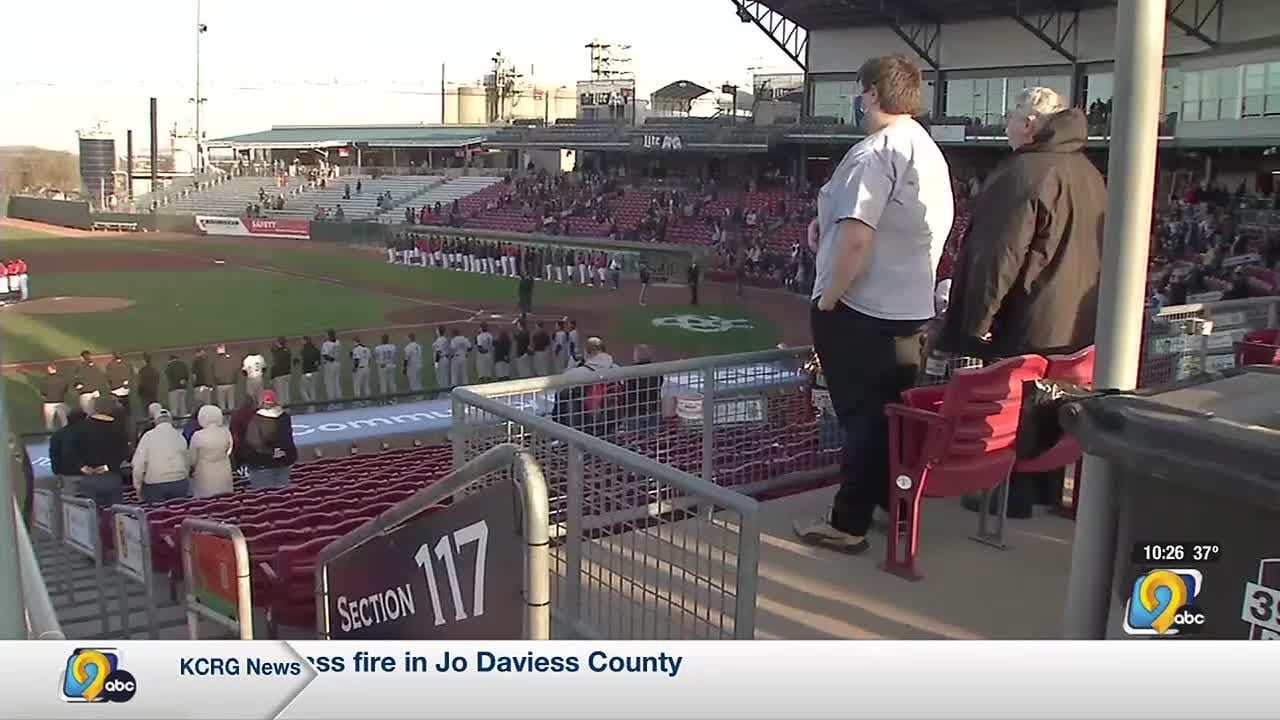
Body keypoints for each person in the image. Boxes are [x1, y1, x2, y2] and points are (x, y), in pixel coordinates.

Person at [795, 54, 955, 554]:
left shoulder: (874, 151)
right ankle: (891, 503)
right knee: (888, 416)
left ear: (870, 93)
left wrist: (829, 297)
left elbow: (858, 237)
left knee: (862, 419)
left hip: (863, 310)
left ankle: (849, 522)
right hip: (909, 309)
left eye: (860, 90)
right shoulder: (925, 148)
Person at [940, 86, 1106, 519]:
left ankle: (1009, 496)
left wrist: (977, 322)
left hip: (1029, 315)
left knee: (1017, 406)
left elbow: (998, 257)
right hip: (1076, 319)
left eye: (1011, 118)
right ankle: (1043, 491)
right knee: (1056, 403)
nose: (1007, 126)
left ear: (1030, 124)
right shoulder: (1088, 172)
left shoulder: (1023, 173)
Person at [68, 395, 129, 508]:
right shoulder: (118, 428)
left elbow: (72, 452)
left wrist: (83, 467)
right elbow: (123, 453)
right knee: (117, 516)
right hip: (112, 477)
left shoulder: (81, 428)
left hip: (89, 478)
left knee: (91, 517)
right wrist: (106, 467)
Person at [131, 409, 190, 503]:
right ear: (171, 420)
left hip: (155, 485)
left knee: (157, 514)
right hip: (179, 482)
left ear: (155, 421)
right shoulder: (179, 436)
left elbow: (139, 464)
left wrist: (137, 486)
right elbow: (187, 462)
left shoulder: (148, 436)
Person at [242, 390, 297, 489]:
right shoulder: (285, 417)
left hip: (262, 465)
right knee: (282, 496)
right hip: (282, 463)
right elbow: (288, 440)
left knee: (265, 498)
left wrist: (271, 453)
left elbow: (253, 443)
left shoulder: (255, 420)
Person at [189, 404, 234, 499]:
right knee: (225, 500)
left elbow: (192, 459)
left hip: (205, 473)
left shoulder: (197, 435)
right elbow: (229, 450)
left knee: (207, 502)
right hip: (224, 471)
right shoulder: (226, 432)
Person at [624, 344, 664, 432]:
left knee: (635, 438)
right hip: (653, 409)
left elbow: (627, 391)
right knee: (652, 438)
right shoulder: (657, 370)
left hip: (636, 411)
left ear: (637, 356)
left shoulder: (630, 371)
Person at [73, 351, 105, 416]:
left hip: (86, 393)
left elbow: (77, 382)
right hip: (95, 392)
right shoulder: (94, 366)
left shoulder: (80, 367)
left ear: (82, 358)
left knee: (86, 413)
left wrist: (76, 386)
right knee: (93, 411)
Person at [40, 363, 70, 431]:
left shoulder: (44, 379)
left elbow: (43, 393)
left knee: (49, 423)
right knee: (64, 421)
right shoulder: (62, 379)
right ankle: (67, 436)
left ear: (49, 369)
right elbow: (65, 390)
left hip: (48, 403)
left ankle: (50, 437)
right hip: (60, 402)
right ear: (55, 369)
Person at [212, 344, 238, 411]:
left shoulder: (215, 360)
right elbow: (235, 370)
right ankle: (231, 420)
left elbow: (214, 373)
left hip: (220, 385)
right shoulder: (230, 359)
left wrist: (214, 382)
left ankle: (223, 420)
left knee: (222, 405)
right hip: (230, 383)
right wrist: (234, 380)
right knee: (231, 404)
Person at [164, 353, 191, 418]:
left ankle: (176, 424)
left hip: (173, 389)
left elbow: (168, 375)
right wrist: (184, 381)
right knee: (182, 407)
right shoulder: (183, 365)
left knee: (174, 408)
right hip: (183, 388)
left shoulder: (170, 365)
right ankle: (183, 422)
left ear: (170, 360)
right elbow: (187, 375)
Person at [269, 337, 293, 406]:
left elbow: (275, 365)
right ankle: (288, 409)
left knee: (280, 395)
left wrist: (271, 377)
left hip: (279, 375)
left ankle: (283, 411)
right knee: (286, 393)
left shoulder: (277, 353)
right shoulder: (287, 351)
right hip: (287, 374)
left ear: (279, 343)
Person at [321, 329, 342, 401]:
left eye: (327, 335)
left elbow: (325, 356)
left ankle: (331, 403)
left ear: (329, 335)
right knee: (336, 383)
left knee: (329, 384)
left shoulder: (326, 344)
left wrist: (331, 359)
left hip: (330, 365)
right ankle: (339, 402)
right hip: (337, 363)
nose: (325, 336)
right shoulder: (338, 342)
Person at [299, 336, 321, 403]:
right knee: (312, 390)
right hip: (315, 371)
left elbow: (306, 360)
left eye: (302, 340)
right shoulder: (315, 349)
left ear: (305, 341)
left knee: (302, 390)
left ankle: (309, 403)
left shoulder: (303, 350)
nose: (301, 342)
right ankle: (313, 407)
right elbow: (319, 361)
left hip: (307, 372)